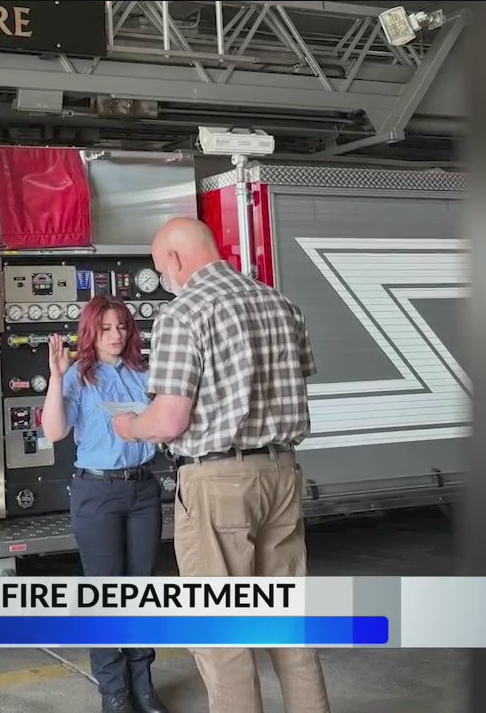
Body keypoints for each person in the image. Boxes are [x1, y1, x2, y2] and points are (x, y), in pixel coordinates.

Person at [111, 217, 331, 713]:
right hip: (281, 473)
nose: (163, 277)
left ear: (173, 259)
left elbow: (168, 420)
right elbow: (298, 376)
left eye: (158, 267)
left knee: (221, 632)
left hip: (217, 480)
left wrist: (130, 425)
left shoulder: (184, 312)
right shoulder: (281, 304)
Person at [39, 295, 171, 713]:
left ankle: (142, 683)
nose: (116, 336)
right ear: (91, 333)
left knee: (141, 587)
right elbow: (55, 432)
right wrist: (56, 378)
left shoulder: (143, 374)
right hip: (97, 494)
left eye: (122, 328)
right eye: (106, 328)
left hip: (142, 490)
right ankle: (113, 691)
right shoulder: (78, 376)